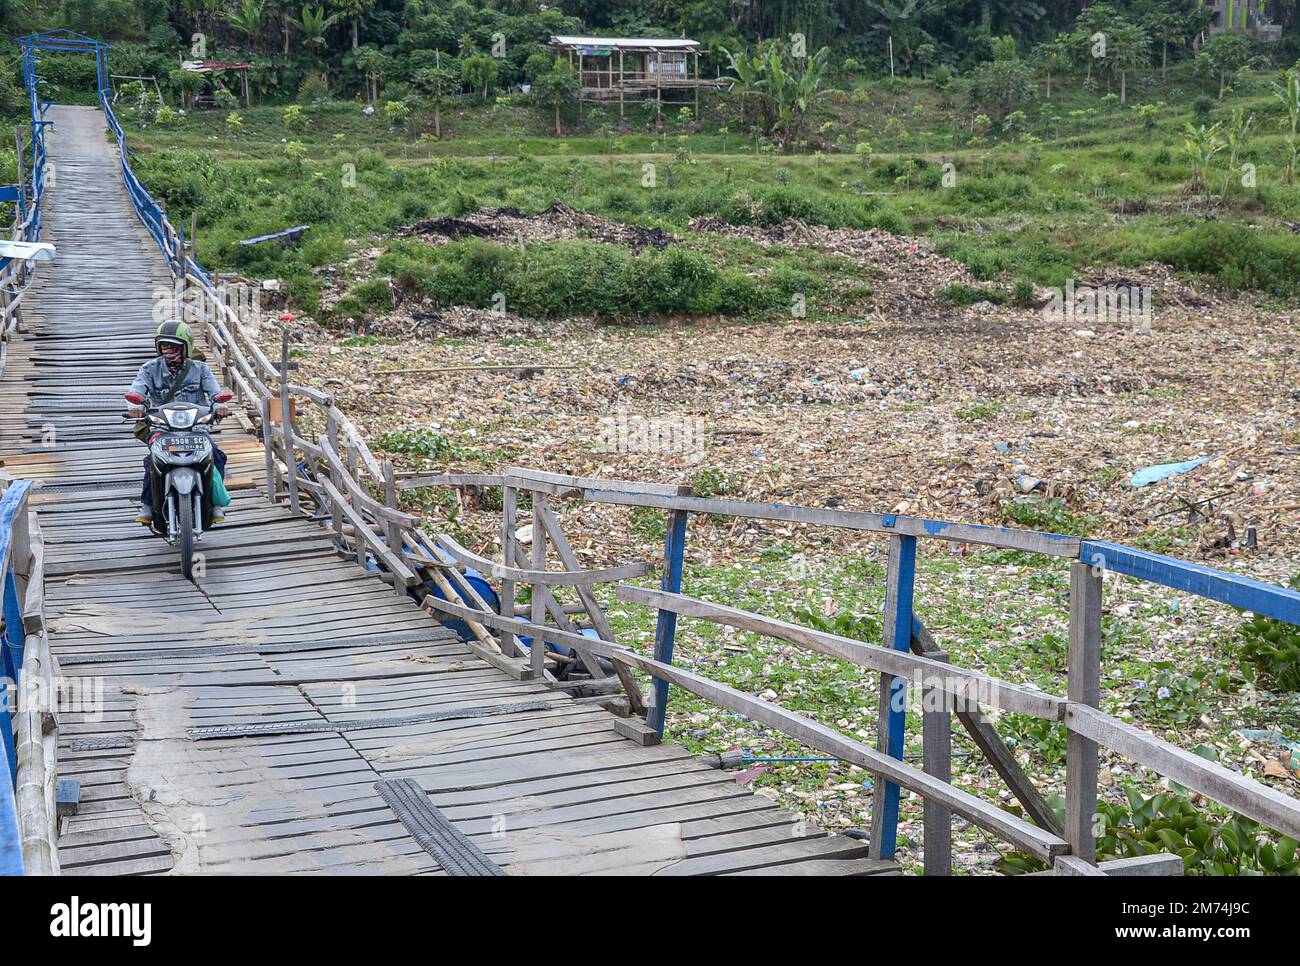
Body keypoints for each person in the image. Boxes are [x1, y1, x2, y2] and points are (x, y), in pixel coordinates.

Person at [129, 320, 231, 525]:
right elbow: (136, 390)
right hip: (161, 427)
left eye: (174, 346)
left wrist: (219, 404)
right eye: (164, 346)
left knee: (215, 454)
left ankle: (215, 502)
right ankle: (147, 505)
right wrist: (134, 405)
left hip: (196, 427)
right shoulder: (149, 369)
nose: (169, 351)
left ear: (186, 346)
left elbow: (215, 392)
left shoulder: (201, 369)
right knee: (152, 460)